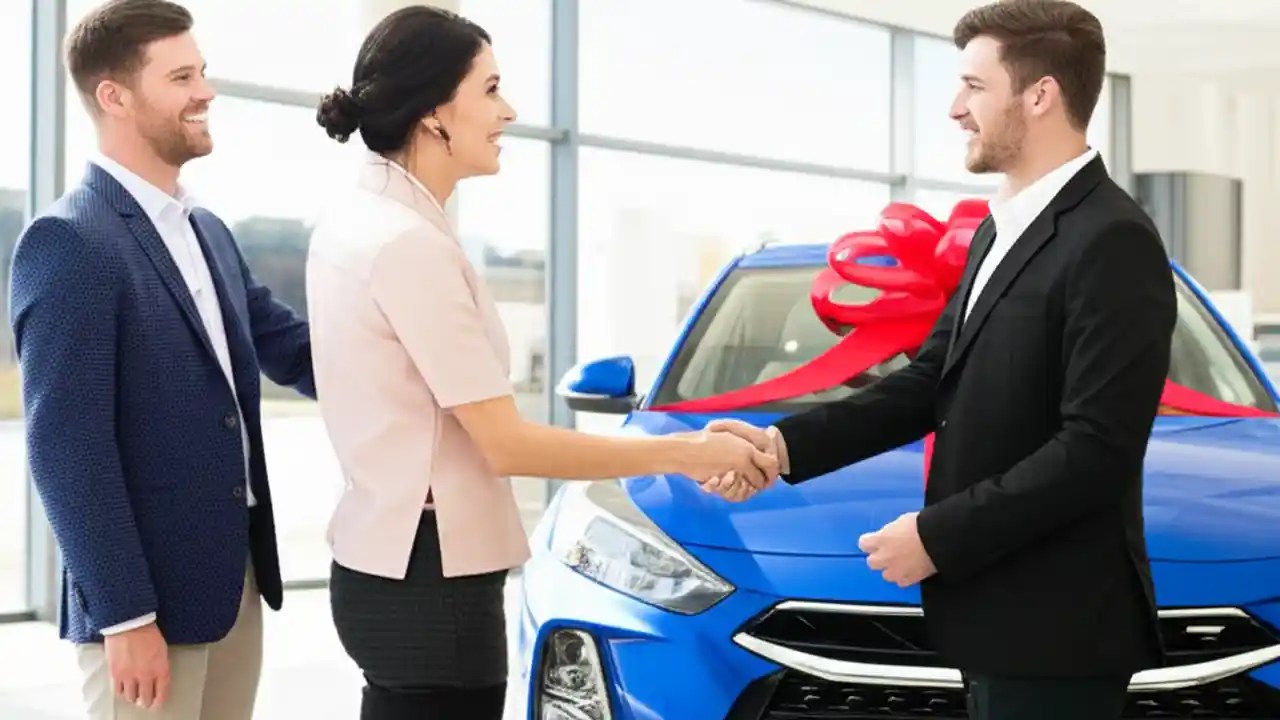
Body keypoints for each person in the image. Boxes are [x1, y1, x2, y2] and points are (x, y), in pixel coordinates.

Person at [305, 7, 774, 719]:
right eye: (490, 89)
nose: (508, 110)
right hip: (432, 582)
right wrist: (687, 452)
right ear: (435, 112)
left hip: (387, 570)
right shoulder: (409, 245)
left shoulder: (360, 218)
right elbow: (506, 444)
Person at [711, 1, 1174, 718]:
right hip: (997, 622)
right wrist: (781, 445)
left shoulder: (1112, 239)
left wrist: (936, 537)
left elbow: (1098, 448)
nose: (956, 109)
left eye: (974, 87)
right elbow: (933, 381)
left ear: (1040, 94)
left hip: (1058, 632)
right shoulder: (1002, 230)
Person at [8, 1, 315, 718]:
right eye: (182, 76)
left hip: (232, 582)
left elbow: (290, 348)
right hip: (145, 604)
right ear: (115, 97)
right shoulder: (69, 241)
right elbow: (65, 447)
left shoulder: (205, 227)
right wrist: (124, 616)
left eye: (201, 71)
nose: (206, 91)